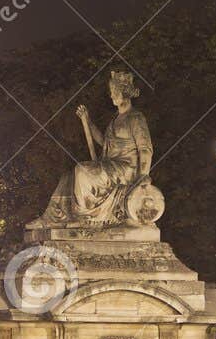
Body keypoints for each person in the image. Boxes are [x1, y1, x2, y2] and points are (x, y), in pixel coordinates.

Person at [42, 70, 153, 226]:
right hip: (111, 166)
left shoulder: (136, 118)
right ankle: (53, 218)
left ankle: (85, 217)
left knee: (82, 170)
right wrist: (87, 121)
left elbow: (145, 149)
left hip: (126, 169)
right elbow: (103, 141)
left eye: (115, 92)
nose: (112, 96)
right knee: (68, 177)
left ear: (125, 93)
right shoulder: (115, 119)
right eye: (112, 92)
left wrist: (143, 176)